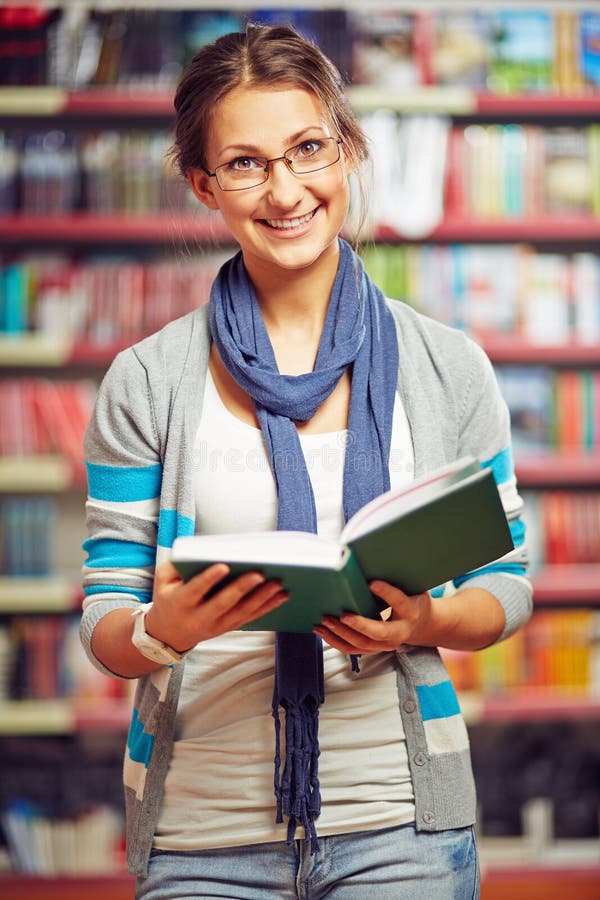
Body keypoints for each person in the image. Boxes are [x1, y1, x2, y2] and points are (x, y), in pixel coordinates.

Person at [80, 22, 532, 900]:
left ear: (348, 151)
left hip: (401, 826)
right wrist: (161, 632)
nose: (285, 190)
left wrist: (425, 625)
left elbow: (507, 582)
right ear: (203, 183)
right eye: (246, 163)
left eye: (308, 150)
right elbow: (106, 621)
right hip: (200, 836)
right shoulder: (147, 380)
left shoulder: (446, 365)